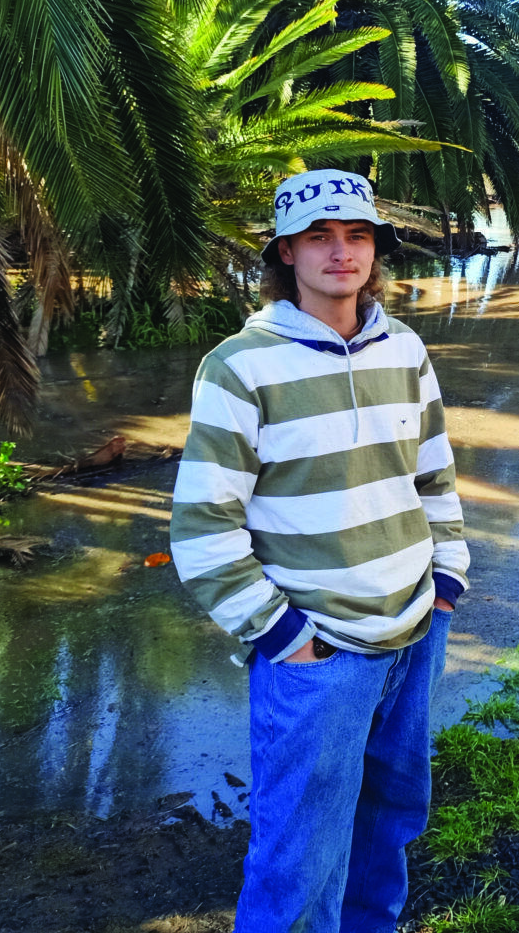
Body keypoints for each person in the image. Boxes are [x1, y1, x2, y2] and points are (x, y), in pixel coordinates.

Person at [168, 168, 469, 933]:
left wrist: (445, 582)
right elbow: (203, 528)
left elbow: (433, 475)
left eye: (357, 236)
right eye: (320, 238)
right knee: (298, 858)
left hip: (412, 634)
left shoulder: (403, 348)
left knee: (389, 827)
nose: (342, 252)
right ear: (286, 254)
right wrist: (286, 638)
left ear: (376, 251)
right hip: (320, 653)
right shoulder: (242, 366)